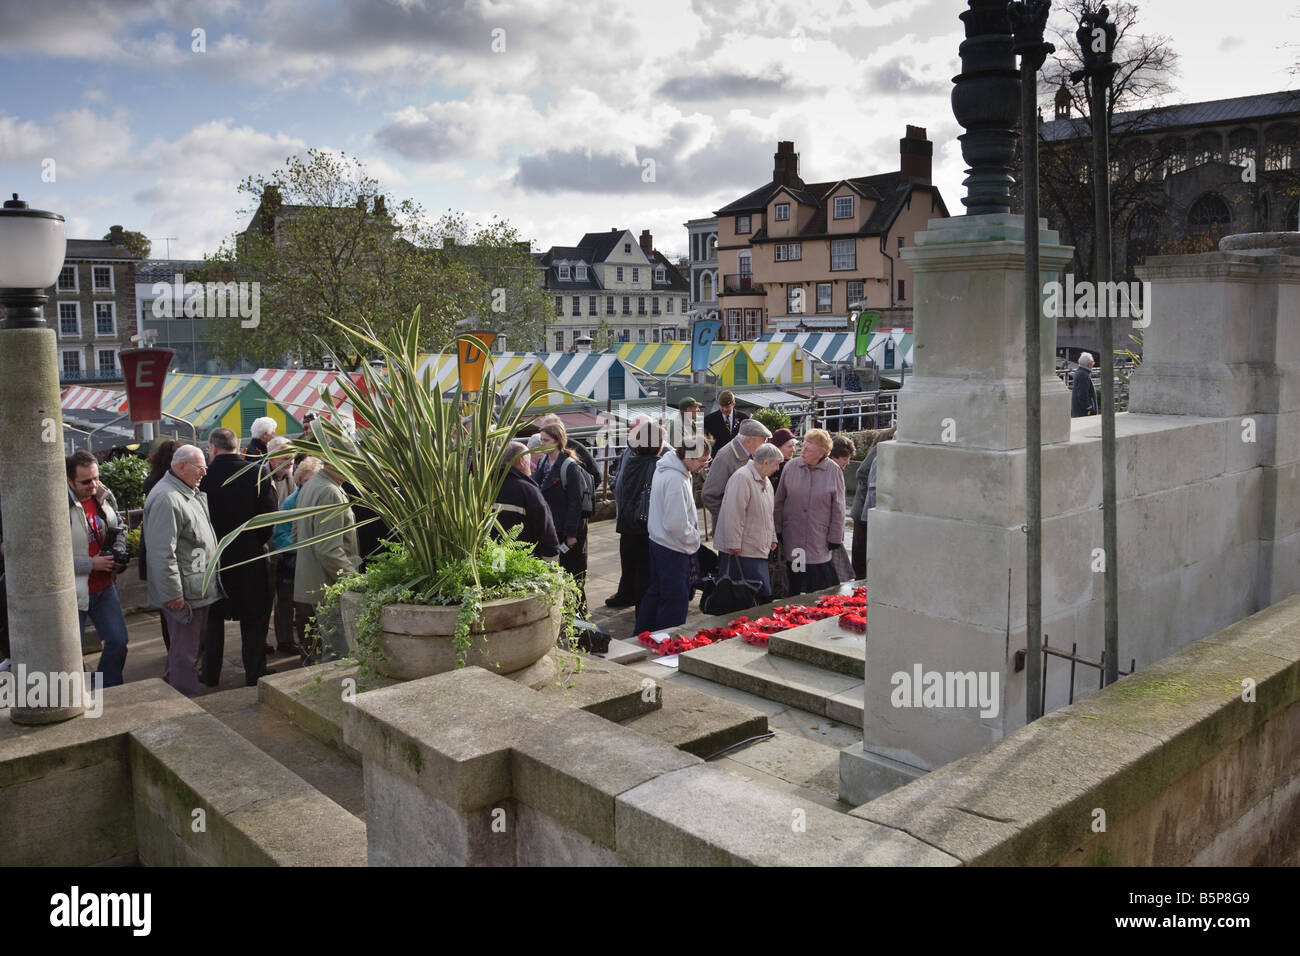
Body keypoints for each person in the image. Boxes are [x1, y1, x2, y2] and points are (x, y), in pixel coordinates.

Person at [199, 428, 278, 687]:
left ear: (213, 448)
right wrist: (255, 542)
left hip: (213, 557)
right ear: (237, 446)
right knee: (254, 617)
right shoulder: (257, 472)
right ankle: (255, 672)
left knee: (212, 619)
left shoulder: (203, 477)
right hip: (250, 555)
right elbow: (269, 517)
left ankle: (210, 673)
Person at [143, 444, 221, 697]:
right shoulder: (167, 498)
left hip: (195, 587)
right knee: (185, 652)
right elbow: (161, 552)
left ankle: (174, 692)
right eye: (200, 468)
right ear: (180, 467)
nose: (204, 473)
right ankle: (185, 700)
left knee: (186, 649)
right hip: (186, 592)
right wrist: (173, 593)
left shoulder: (183, 492)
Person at [634, 434, 712, 635]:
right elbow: (676, 524)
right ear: (689, 457)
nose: (704, 466)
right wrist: (693, 540)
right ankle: (667, 641)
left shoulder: (667, 468)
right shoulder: (676, 479)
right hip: (673, 548)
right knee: (675, 600)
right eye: (702, 461)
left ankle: (641, 636)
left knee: (655, 593)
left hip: (659, 542)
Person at [66, 450, 131, 687]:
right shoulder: (56, 507)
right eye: (86, 481)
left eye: (96, 478)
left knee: (118, 641)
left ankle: (107, 689)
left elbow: (119, 527)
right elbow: (50, 559)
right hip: (73, 593)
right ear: (69, 481)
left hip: (103, 587)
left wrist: (118, 550)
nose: (94, 485)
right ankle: (79, 694)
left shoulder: (103, 494)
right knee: (71, 654)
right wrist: (90, 564)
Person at [294, 453, 360, 661]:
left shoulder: (312, 485)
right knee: (339, 654)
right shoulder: (329, 491)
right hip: (330, 585)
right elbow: (329, 550)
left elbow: (297, 534)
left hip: (318, 583)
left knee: (331, 650)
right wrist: (355, 580)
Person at [774, 428, 845, 595]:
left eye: (808, 449)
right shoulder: (791, 467)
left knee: (819, 590)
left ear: (821, 453)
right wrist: (777, 529)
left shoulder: (833, 471)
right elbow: (779, 501)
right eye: (803, 446)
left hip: (819, 539)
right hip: (794, 538)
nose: (802, 451)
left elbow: (839, 508)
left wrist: (835, 537)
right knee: (795, 585)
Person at [713, 442, 783, 601]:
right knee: (747, 595)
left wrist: (772, 537)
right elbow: (733, 514)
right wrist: (733, 543)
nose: (778, 468)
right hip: (743, 550)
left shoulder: (765, 480)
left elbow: (769, 513)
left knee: (759, 594)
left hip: (757, 547)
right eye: (776, 464)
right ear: (766, 463)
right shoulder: (742, 478)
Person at [533, 420, 589, 612]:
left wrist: (571, 534)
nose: (541, 444)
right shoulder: (543, 462)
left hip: (564, 529)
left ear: (558, 441)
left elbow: (575, 503)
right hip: (552, 526)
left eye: (545, 440)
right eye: (541, 440)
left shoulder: (569, 467)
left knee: (572, 574)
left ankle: (579, 614)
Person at [607, 420, 664, 608]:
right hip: (645, 526)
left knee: (630, 565)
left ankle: (629, 596)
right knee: (644, 574)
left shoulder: (631, 461)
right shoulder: (658, 466)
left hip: (627, 523)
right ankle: (643, 612)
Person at [272, 456, 321, 657]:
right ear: (299, 480)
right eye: (306, 480)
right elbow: (280, 535)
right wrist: (304, 547)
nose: (310, 485)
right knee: (303, 612)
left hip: (318, 566)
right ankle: (307, 653)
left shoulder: (321, 499)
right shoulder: (291, 502)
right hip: (297, 567)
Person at [139, 440, 182, 650]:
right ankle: (177, 650)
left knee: (165, 609)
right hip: (166, 546)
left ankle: (171, 647)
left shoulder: (152, 482)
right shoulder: (167, 488)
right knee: (172, 604)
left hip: (150, 544)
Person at [495, 440, 559, 558]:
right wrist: (552, 561)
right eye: (528, 461)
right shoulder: (527, 490)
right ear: (521, 461)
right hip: (524, 560)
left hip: (492, 558)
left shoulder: (486, 487)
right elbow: (545, 531)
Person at [701, 418, 772, 522]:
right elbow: (709, 495)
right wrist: (732, 519)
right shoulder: (726, 457)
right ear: (748, 441)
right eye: (762, 441)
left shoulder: (749, 453)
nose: (764, 445)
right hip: (732, 526)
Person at [851, 426, 895, 580]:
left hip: (867, 510)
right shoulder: (882, 449)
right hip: (864, 512)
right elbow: (862, 472)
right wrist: (868, 499)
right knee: (862, 558)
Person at [533, 413, 600, 483]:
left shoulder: (575, 449)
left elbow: (595, 474)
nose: (544, 433)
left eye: (549, 430)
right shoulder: (544, 460)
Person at [767, 427, 797, 493]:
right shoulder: (765, 465)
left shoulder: (793, 466)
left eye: (794, 446)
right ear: (777, 447)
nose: (793, 450)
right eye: (790, 446)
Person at [1071, 351, 1098, 418]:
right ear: (1088, 364)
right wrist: (1089, 408)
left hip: (1078, 410)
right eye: (1093, 362)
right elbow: (1082, 394)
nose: (1093, 364)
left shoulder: (1079, 372)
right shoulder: (1083, 375)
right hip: (1083, 412)